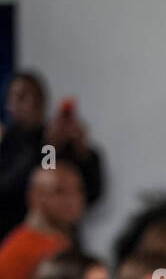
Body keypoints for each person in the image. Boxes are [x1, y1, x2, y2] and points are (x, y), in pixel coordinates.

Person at [0, 71, 104, 241]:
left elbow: (93, 192)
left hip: (62, 241)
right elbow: (17, 189)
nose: (30, 104)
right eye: (21, 97)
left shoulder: (57, 139)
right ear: (8, 103)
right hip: (14, 238)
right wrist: (48, 148)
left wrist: (82, 151)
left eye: (36, 97)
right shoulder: (7, 144)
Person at [0, 165, 85, 279]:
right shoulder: (23, 249)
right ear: (36, 196)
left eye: (78, 190)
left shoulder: (62, 241)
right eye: (59, 191)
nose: (72, 199)